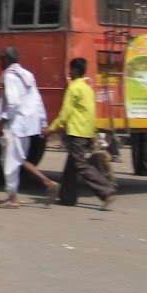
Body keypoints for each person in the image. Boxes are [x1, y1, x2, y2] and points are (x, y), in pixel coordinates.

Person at [48, 57, 115, 209]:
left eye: (70, 70)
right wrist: (92, 133)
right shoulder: (87, 89)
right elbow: (91, 113)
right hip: (86, 131)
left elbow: (65, 113)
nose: (69, 73)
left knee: (80, 164)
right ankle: (67, 198)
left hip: (76, 132)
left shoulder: (73, 88)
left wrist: (51, 128)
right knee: (71, 165)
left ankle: (105, 191)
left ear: (75, 71)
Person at [0, 47, 55, 207]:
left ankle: (19, 196)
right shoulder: (27, 75)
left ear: (6, 60)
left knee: (10, 161)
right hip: (28, 125)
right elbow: (37, 100)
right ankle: (21, 193)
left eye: (1, 60)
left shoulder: (9, 77)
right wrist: (43, 123)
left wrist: (3, 120)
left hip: (15, 124)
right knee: (17, 159)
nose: (0, 63)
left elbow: (12, 103)